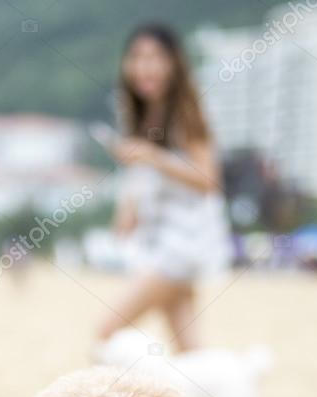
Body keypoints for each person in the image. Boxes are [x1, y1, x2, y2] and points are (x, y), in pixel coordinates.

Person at [94, 24, 231, 352]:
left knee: (106, 332)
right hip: (160, 239)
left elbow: (209, 180)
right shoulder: (138, 114)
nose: (144, 66)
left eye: (155, 57)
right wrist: (127, 212)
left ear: (174, 63)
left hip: (185, 241)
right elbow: (141, 179)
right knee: (188, 347)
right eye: (137, 57)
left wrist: (154, 156)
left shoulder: (188, 108)